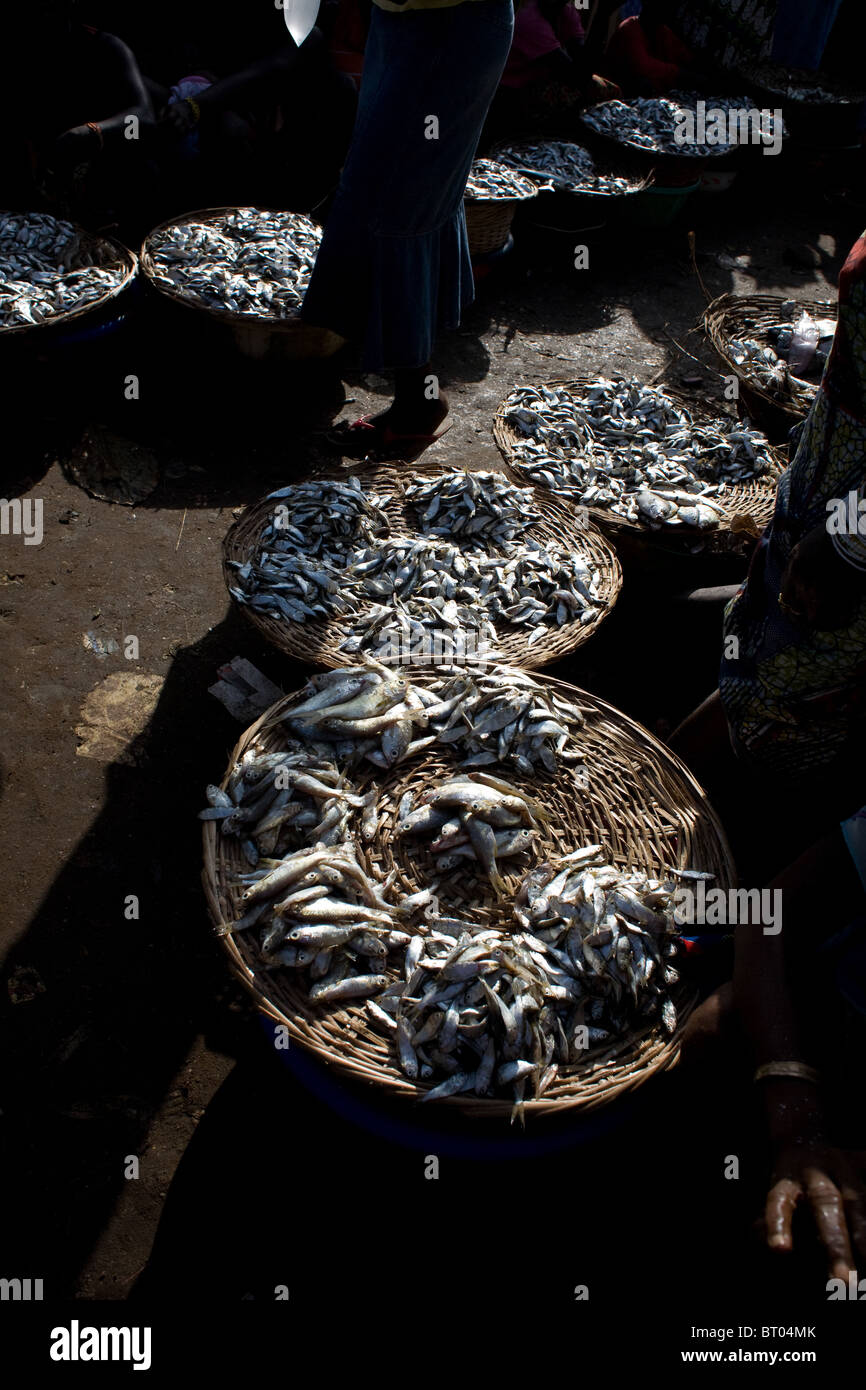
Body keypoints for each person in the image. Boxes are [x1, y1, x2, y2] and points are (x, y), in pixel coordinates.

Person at [670, 230, 866, 882]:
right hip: (824, 484)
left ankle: (745, 877)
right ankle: (673, 780)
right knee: (755, 645)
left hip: (845, 549)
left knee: (797, 699)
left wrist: (844, 542)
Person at [300, 0, 515, 460]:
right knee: (396, 192)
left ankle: (418, 399)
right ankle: (416, 387)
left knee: (397, 200)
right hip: (402, 20)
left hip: (447, 25)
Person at [484, 0, 621, 142]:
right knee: (573, 92)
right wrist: (602, 15)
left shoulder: (566, 13)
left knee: (609, 91)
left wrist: (603, 15)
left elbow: (583, 62)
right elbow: (577, 79)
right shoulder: (530, 20)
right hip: (508, 92)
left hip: (541, 79)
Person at [603, 0, 701, 97]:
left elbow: (683, 54)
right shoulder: (630, 28)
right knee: (643, 84)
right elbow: (643, 65)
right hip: (620, 87)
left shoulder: (662, 32)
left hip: (650, 86)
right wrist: (678, 72)